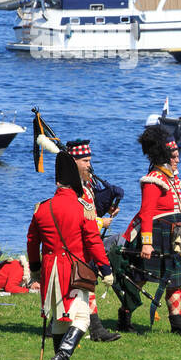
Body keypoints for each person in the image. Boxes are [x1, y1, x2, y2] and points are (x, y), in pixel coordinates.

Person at [26, 151, 115, 360]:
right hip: (73, 269)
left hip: (49, 269)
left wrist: (36, 268)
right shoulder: (83, 207)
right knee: (82, 317)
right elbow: (93, 241)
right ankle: (62, 355)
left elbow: (32, 241)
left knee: (59, 318)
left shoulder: (41, 208)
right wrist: (105, 268)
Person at [116, 127, 181, 338]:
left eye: (178, 155)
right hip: (156, 235)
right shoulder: (153, 179)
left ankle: (177, 324)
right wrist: (146, 243)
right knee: (139, 279)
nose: (178, 159)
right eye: (175, 156)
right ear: (165, 157)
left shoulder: (172, 178)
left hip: (172, 236)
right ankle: (124, 317)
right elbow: (147, 213)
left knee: (175, 280)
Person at [66, 138, 122, 342]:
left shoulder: (85, 185)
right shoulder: (71, 188)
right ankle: (88, 328)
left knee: (86, 285)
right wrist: (101, 222)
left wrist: (107, 210)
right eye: (85, 161)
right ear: (74, 163)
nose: (89, 165)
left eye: (89, 160)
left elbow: (89, 209)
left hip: (87, 243)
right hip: (76, 245)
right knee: (78, 286)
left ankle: (95, 328)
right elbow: (76, 219)